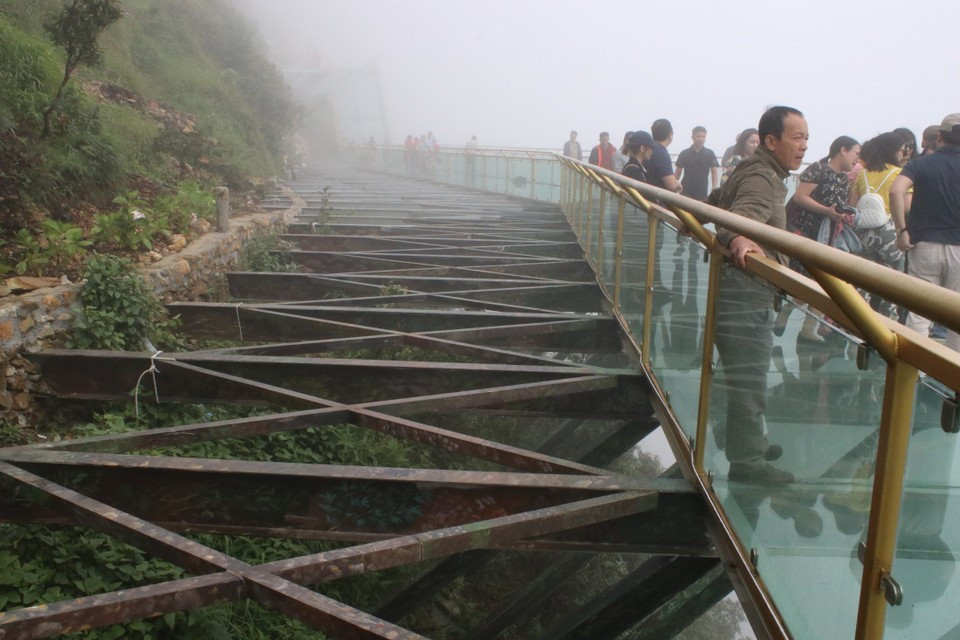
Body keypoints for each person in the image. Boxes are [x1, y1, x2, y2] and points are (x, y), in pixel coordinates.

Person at [709, 105, 809, 485]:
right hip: (747, 292)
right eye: (796, 138)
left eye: (806, 138)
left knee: (739, 372)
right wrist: (737, 237)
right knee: (749, 376)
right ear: (771, 140)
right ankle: (748, 462)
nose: (803, 146)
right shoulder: (763, 178)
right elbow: (737, 219)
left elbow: (715, 202)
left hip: (737, 290)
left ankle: (747, 439)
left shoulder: (751, 168)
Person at [890, 113, 960, 352]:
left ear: (940, 137)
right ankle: (954, 378)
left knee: (919, 316)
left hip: (924, 246)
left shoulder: (920, 164)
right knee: (957, 319)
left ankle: (913, 376)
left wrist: (901, 231)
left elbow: (896, 191)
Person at [781, 136, 860, 340]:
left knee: (823, 283)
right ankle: (786, 316)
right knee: (807, 281)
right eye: (855, 154)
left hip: (827, 238)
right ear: (843, 150)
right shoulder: (818, 169)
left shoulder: (844, 179)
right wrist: (827, 211)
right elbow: (800, 196)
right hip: (804, 232)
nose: (857, 161)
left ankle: (807, 327)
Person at [847, 131, 910, 319]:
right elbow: (907, 206)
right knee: (892, 280)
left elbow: (852, 205)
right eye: (902, 150)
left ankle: (860, 320)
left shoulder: (864, 174)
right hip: (889, 232)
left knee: (863, 278)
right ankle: (887, 324)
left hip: (864, 231)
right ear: (893, 151)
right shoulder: (900, 174)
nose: (904, 154)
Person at [674, 126, 720, 200]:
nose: (701, 139)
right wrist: (673, 186)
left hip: (702, 192)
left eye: (703, 137)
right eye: (698, 136)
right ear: (692, 137)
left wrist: (714, 187)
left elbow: (714, 172)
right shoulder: (684, 153)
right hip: (685, 191)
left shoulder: (710, 153)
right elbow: (677, 172)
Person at [643, 119, 681, 192]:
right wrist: (678, 184)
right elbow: (672, 185)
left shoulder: (647, 149)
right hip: (655, 199)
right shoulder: (662, 154)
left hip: (643, 196)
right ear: (670, 135)